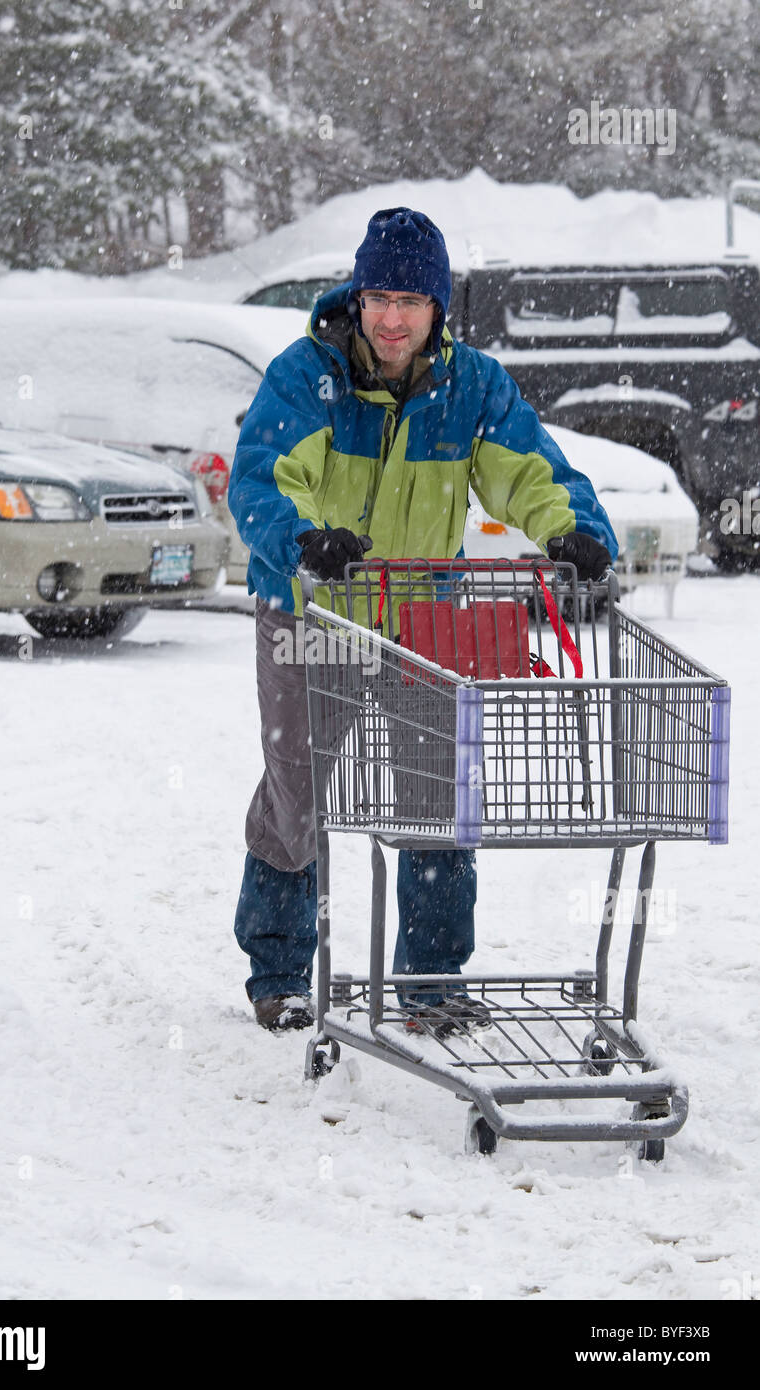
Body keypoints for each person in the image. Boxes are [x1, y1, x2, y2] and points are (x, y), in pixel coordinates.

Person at [228, 207, 617, 1032]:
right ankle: (278, 969)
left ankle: (432, 980)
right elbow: (260, 478)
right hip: (314, 614)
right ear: (358, 297)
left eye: (411, 299)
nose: (392, 318)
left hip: (421, 623)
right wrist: (304, 540)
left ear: (439, 308)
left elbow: (534, 472)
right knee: (299, 792)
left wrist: (571, 532)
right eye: (378, 297)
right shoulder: (308, 375)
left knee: (442, 799)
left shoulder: (470, 386)